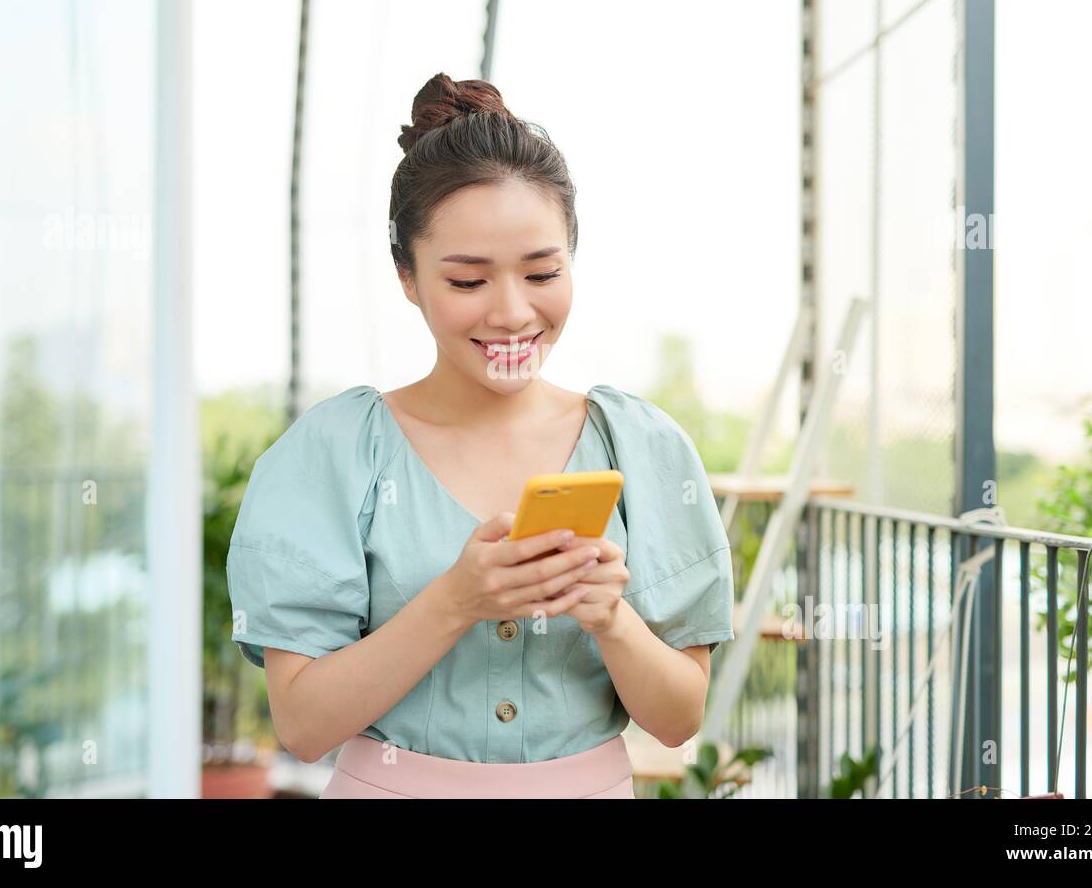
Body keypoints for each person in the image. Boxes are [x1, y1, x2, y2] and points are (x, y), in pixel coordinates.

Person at [226, 72, 735, 798]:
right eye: (468, 281)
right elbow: (303, 727)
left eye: (542, 272)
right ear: (407, 274)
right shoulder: (335, 453)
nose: (512, 313)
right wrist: (457, 600)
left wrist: (609, 617)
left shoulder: (641, 447)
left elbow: (679, 718)